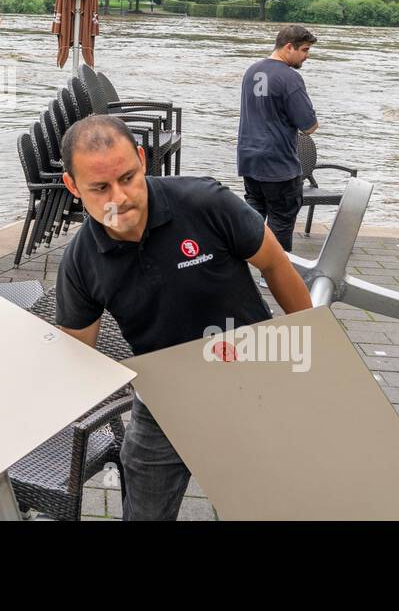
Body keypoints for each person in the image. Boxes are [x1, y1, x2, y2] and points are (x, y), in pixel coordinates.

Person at [55, 114, 312, 521]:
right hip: (163, 400)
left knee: (265, 505)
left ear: (142, 159)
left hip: (251, 378)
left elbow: (275, 264)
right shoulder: (80, 260)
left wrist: (316, 343)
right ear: (72, 186)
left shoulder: (205, 202)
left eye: (127, 178)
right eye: (100, 188)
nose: (119, 198)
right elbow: (75, 353)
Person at [237, 24, 318, 254]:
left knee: (252, 216)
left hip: (249, 158)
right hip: (278, 163)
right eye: (304, 50)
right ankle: (274, 274)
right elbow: (309, 126)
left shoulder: (252, 70)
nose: (307, 55)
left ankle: (241, 262)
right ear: (289, 47)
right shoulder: (290, 77)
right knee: (281, 219)